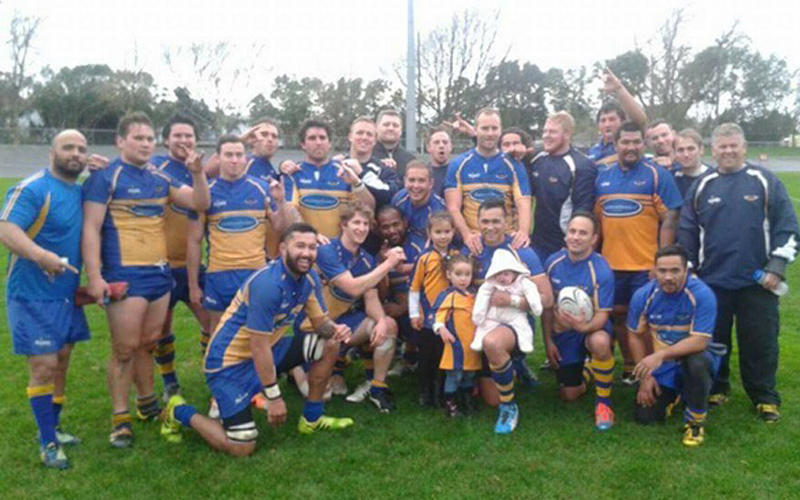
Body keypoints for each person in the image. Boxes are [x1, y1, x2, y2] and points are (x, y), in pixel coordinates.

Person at [160, 223, 355, 456]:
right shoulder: (268, 285)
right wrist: (274, 398)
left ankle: (312, 418)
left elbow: (320, 324)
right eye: (300, 246)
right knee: (242, 446)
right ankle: (179, 410)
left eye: (312, 247)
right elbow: (258, 346)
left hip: (269, 351)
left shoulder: (309, 277)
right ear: (283, 248)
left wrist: (336, 329)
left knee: (330, 344)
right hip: (228, 365)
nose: (307, 253)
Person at [82, 111, 211, 448]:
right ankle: (120, 419)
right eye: (138, 138)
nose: (145, 144)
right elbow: (91, 229)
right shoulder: (106, 177)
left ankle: (145, 403)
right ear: (120, 141)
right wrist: (95, 277)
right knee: (124, 348)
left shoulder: (158, 176)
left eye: (149, 139)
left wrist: (197, 173)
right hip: (124, 274)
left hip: (159, 273)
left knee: (150, 341)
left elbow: (201, 202)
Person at [678, 123, 799, 423]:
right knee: (713, 340)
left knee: (759, 341)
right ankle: (717, 387)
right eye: (723, 146)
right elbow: (687, 232)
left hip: (758, 283)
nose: (728, 151)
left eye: (734, 145)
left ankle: (764, 397)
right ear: (713, 150)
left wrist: (778, 266)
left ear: (744, 148)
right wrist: (690, 270)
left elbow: (788, 227)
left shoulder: (764, 180)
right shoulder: (702, 186)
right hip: (712, 283)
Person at [0, 130, 92, 468]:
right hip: (31, 295)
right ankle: (47, 442)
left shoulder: (78, 192)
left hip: (65, 295)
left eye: (82, 149)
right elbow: (6, 229)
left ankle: (55, 426)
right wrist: (41, 256)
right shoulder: (33, 188)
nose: (76, 154)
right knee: (44, 366)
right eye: (68, 147)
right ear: (52, 151)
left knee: (63, 359)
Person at [594, 121, 682, 385]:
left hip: (645, 266)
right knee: (619, 317)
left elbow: (670, 218)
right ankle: (631, 364)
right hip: (612, 266)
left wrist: (661, 260)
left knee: (646, 319)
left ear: (643, 144)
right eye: (625, 142)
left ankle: (652, 367)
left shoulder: (657, 175)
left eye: (635, 142)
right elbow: (598, 222)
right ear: (616, 144)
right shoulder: (603, 177)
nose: (631, 147)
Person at [296, 203, 405, 412]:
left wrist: (381, 321)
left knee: (389, 325)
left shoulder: (365, 258)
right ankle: (297, 368)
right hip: (314, 326)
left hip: (344, 324)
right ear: (343, 226)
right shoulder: (327, 251)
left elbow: (370, 296)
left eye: (365, 224)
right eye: (356, 222)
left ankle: (377, 388)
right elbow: (353, 288)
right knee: (324, 394)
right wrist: (388, 264)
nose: (361, 228)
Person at [187, 135, 297, 337]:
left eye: (239, 154)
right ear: (218, 158)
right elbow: (194, 242)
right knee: (219, 335)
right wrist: (193, 286)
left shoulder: (261, 188)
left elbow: (280, 226)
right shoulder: (206, 192)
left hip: (255, 272)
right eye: (229, 155)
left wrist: (281, 203)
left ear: (245, 158)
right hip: (219, 274)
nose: (234, 160)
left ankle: (255, 369)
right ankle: (215, 368)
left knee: (256, 335)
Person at [462, 199, 553, 434]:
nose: (490, 227)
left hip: (514, 324)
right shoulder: (471, 249)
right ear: (477, 222)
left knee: (492, 343)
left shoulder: (521, 251)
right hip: (483, 321)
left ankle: (509, 407)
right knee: (489, 398)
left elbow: (547, 298)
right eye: (485, 221)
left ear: (507, 222)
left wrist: (513, 300)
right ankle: (514, 366)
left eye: (495, 221)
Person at [627, 245, 723, 447]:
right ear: (654, 271)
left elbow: (699, 341)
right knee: (646, 416)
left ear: (685, 271)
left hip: (697, 357)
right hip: (664, 365)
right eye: (662, 271)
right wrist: (646, 377)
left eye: (675, 271)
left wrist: (659, 356)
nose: (668, 277)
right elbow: (635, 336)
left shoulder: (702, 294)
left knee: (697, 363)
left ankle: (695, 421)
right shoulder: (643, 296)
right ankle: (676, 395)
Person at [151, 114, 210, 401]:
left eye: (189, 135)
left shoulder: (200, 170)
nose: (184, 140)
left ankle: (211, 370)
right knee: (162, 328)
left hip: (194, 263)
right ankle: (169, 381)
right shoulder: (155, 169)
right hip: (162, 265)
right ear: (166, 140)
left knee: (212, 322)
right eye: (178, 135)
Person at [542, 212, 616, 430]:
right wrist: (548, 342)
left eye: (583, 233)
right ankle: (589, 370)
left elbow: (603, 315)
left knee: (600, 343)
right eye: (572, 231)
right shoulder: (552, 263)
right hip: (564, 332)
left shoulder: (601, 269)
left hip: (592, 328)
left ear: (594, 238)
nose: (575, 237)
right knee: (569, 395)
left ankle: (603, 403)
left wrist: (583, 326)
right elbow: (547, 308)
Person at [445, 107, 532, 254]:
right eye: (485, 128)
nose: (490, 133)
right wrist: (467, 236)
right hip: (474, 239)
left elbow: (523, 203)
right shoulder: (458, 164)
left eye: (494, 128)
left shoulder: (514, 165)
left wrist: (523, 232)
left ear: (500, 130)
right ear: (476, 129)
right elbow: (453, 207)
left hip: (506, 238)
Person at [283, 119, 375, 238]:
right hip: (307, 248)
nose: (318, 142)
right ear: (303, 144)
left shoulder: (344, 172)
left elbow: (368, 208)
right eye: (312, 138)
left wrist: (357, 183)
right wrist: (311, 236)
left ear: (330, 143)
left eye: (322, 138)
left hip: (338, 250)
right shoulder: (293, 174)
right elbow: (290, 212)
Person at [529, 111, 597, 263]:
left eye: (552, 132)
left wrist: (572, 244)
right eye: (545, 131)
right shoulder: (537, 159)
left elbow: (583, 211)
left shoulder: (581, 166)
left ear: (567, 134)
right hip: (537, 243)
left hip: (563, 246)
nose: (546, 135)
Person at [409, 211, 461, 407]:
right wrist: (415, 313)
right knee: (427, 355)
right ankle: (425, 390)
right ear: (429, 233)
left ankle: (443, 391)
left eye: (447, 231)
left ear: (453, 232)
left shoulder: (457, 256)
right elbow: (414, 288)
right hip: (428, 314)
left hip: (449, 315)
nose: (443, 236)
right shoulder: (424, 258)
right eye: (438, 232)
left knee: (444, 353)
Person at [375, 205, 424, 377]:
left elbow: (428, 274)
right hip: (395, 301)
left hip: (422, 302)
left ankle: (414, 355)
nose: (391, 230)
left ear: (404, 222)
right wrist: (382, 266)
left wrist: (402, 272)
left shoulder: (418, 244)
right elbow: (382, 292)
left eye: (396, 224)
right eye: (385, 227)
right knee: (377, 313)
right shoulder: (380, 249)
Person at [432, 254, 481, 417]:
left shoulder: (474, 295)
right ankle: (450, 404)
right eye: (458, 274)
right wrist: (441, 329)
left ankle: (466, 401)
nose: (463, 279)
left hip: (471, 344)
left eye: (467, 274)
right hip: (455, 345)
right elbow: (437, 315)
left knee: (469, 373)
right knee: (454, 374)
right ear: (449, 275)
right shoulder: (448, 295)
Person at [472, 249, 543, 354]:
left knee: (522, 326)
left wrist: (535, 306)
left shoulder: (522, 283)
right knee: (484, 325)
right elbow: (483, 296)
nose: (502, 278)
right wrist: (479, 315)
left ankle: (525, 343)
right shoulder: (491, 283)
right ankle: (478, 341)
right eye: (499, 274)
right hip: (494, 314)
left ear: (514, 273)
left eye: (506, 274)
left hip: (514, 314)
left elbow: (532, 292)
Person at [588, 69, 648, 168]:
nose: (607, 124)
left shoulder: (632, 142)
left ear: (623, 121)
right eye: (603, 120)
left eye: (612, 119)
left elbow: (640, 121)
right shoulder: (593, 151)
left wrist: (618, 88)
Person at [345, 116, 400, 208]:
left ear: (375, 140)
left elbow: (390, 195)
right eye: (359, 133)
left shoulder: (384, 169)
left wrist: (362, 173)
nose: (364, 137)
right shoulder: (338, 165)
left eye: (369, 134)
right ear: (350, 136)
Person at [392, 160, 446, 243]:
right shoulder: (398, 199)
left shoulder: (438, 210)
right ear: (405, 181)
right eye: (411, 180)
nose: (416, 186)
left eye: (421, 180)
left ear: (431, 184)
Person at [373, 109, 416, 180]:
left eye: (395, 125)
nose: (391, 128)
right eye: (386, 124)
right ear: (376, 128)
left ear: (401, 130)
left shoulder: (410, 160)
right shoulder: (366, 156)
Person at [671, 128, 712, 198]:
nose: (686, 154)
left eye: (691, 149)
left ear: (701, 150)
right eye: (680, 150)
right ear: (674, 153)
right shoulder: (671, 178)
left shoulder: (712, 178)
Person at [426, 126, 453, 197]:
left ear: (451, 147)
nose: (441, 146)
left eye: (445, 142)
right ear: (428, 147)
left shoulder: (457, 172)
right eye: (436, 142)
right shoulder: (423, 173)